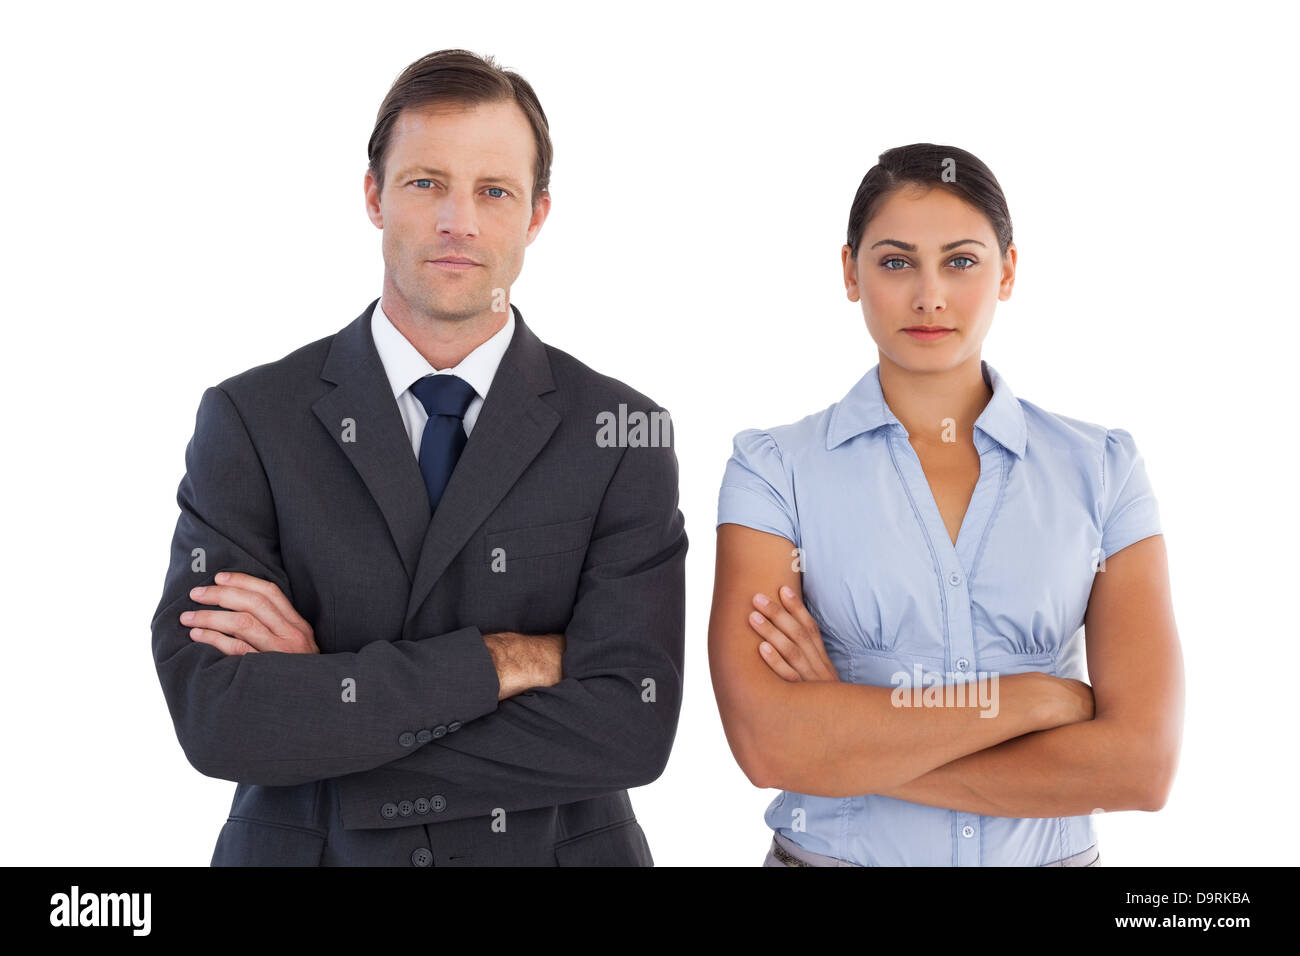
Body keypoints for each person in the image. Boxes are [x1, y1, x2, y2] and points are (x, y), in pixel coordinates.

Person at [150, 49, 687, 866]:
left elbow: (630, 729)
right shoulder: (250, 420)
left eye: (494, 191)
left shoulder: (622, 432)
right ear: (374, 195)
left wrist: (330, 693)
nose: (458, 222)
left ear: (538, 214)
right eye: (426, 182)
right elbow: (220, 716)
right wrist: (504, 661)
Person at [708, 143, 1183, 867]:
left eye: (960, 261)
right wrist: (1032, 700)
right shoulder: (774, 473)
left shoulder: (1103, 470)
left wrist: (844, 745)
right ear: (850, 272)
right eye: (896, 262)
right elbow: (769, 743)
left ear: (1008, 271)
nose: (929, 295)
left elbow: (1141, 768)